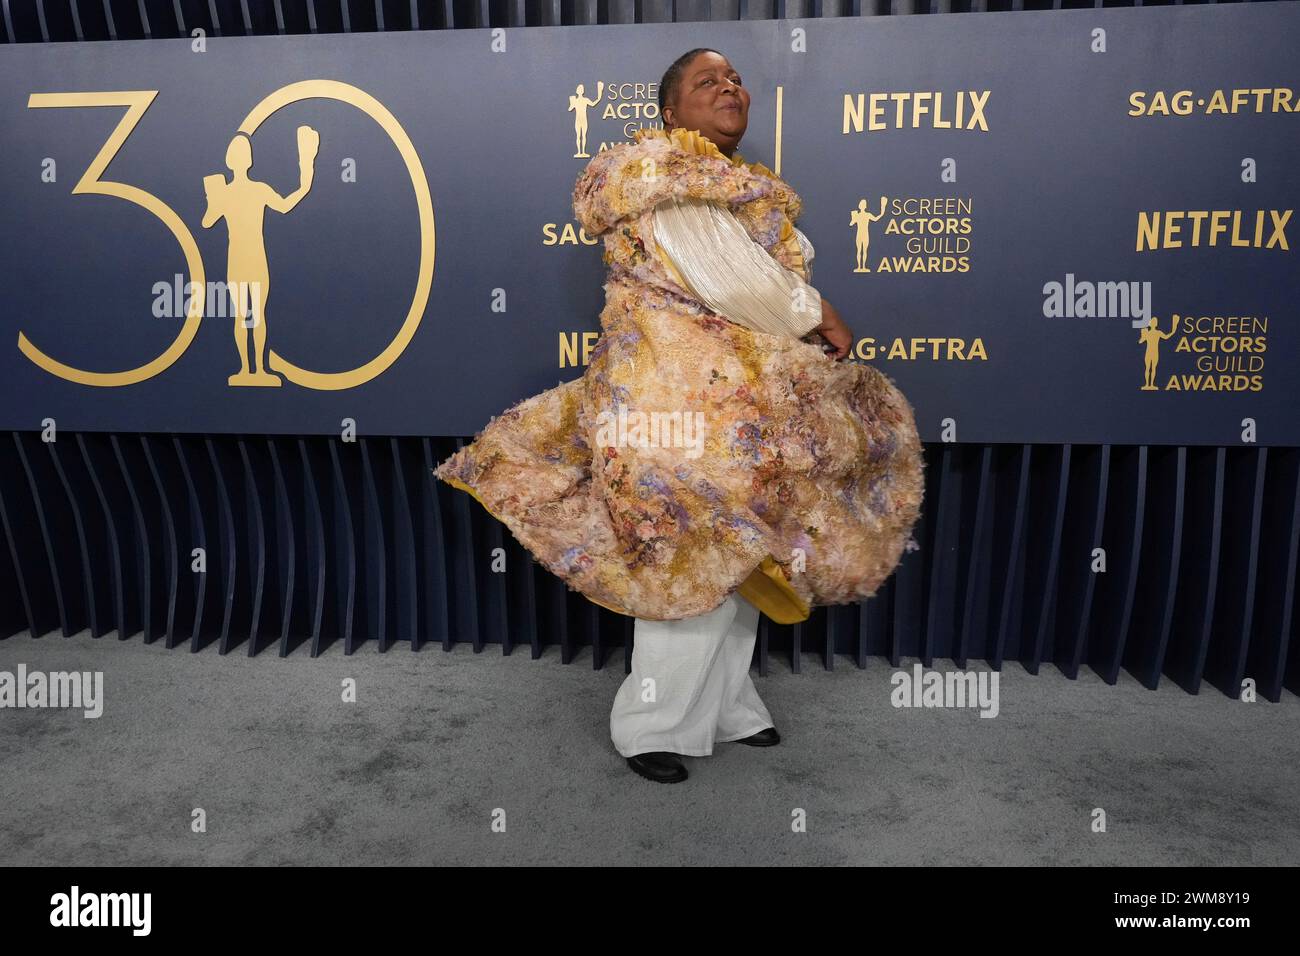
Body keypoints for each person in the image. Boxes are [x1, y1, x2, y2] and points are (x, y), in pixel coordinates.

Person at [435, 49, 923, 784]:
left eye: (733, 79)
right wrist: (816, 311)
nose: (728, 88)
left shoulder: (721, 185)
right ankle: (651, 726)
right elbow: (733, 279)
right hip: (671, 412)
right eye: (706, 82)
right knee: (686, 561)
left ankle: (727, 707)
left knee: (739, 558)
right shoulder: (660, 178)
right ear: (671, 112)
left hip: (732, 414)